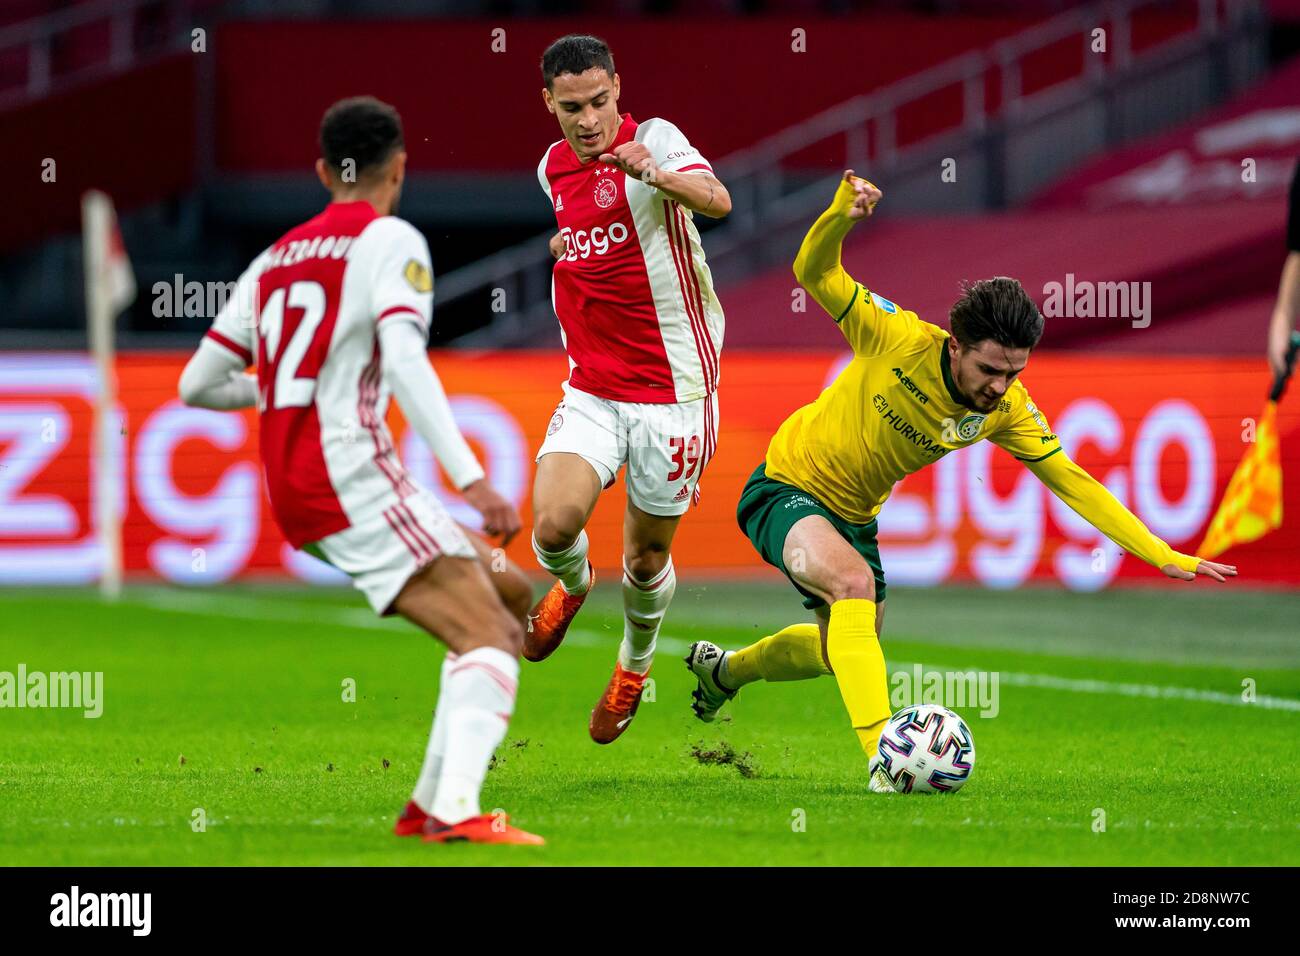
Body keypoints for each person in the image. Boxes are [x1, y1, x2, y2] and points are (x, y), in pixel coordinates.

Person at [686, 171, 1237, 791]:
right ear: (956, 346)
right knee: (852, 585)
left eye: (1014, 372)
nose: (1000, 386)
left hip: (855, 517)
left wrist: (1158, 553)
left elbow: (1072, 481)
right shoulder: (897, 337)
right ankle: (884, 757)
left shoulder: (1007, 408)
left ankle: (727, 672)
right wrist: (841, 213)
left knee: (840, 646)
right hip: (785, 484)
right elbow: (814, 273)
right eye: (990, 368)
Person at [178, 96, 541, 844]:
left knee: (504, 604)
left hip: (297, 487)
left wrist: (280, 387)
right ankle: (456, 814)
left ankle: (431, 804)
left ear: (322, 170)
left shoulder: (274, 259)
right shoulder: (389, 241)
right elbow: (405, 357)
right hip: (351, 476)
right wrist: (470, 477)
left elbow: (197, 384)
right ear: (400, 167)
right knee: (491, 638)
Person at [526, 34, 732, 744]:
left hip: (674, 393)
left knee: (646, 559)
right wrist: (564, 248)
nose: (589, 121)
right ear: (548, 102)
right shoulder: (553, 169)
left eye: (601, 102)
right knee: (553, 527)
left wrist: (655, 174)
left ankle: (633, 666)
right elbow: (584, 233)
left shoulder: (656, 140)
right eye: (573, 107)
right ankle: (575, 585)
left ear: (619, 87)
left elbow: (718, 199)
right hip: (593, 387)